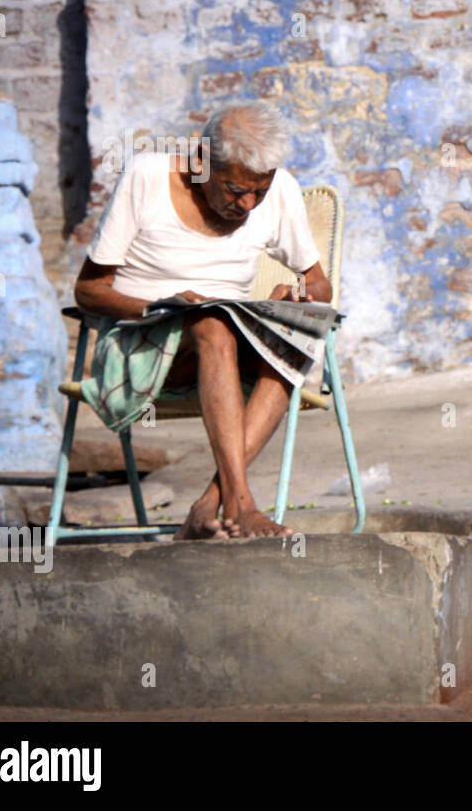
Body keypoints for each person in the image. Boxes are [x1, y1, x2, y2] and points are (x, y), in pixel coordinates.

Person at [74, 103, 333, 539]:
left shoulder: (281, 190)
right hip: (140, 348)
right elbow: (88, 291)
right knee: (210, 322)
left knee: (290, 340)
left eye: (260, 191)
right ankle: (240, 504)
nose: (247, 204)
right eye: (234, 189)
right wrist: (163, 306)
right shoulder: (147, 178)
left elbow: (319, 285)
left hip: (222, 357)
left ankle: (210, 505)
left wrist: (299, 294)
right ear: (201, 160)